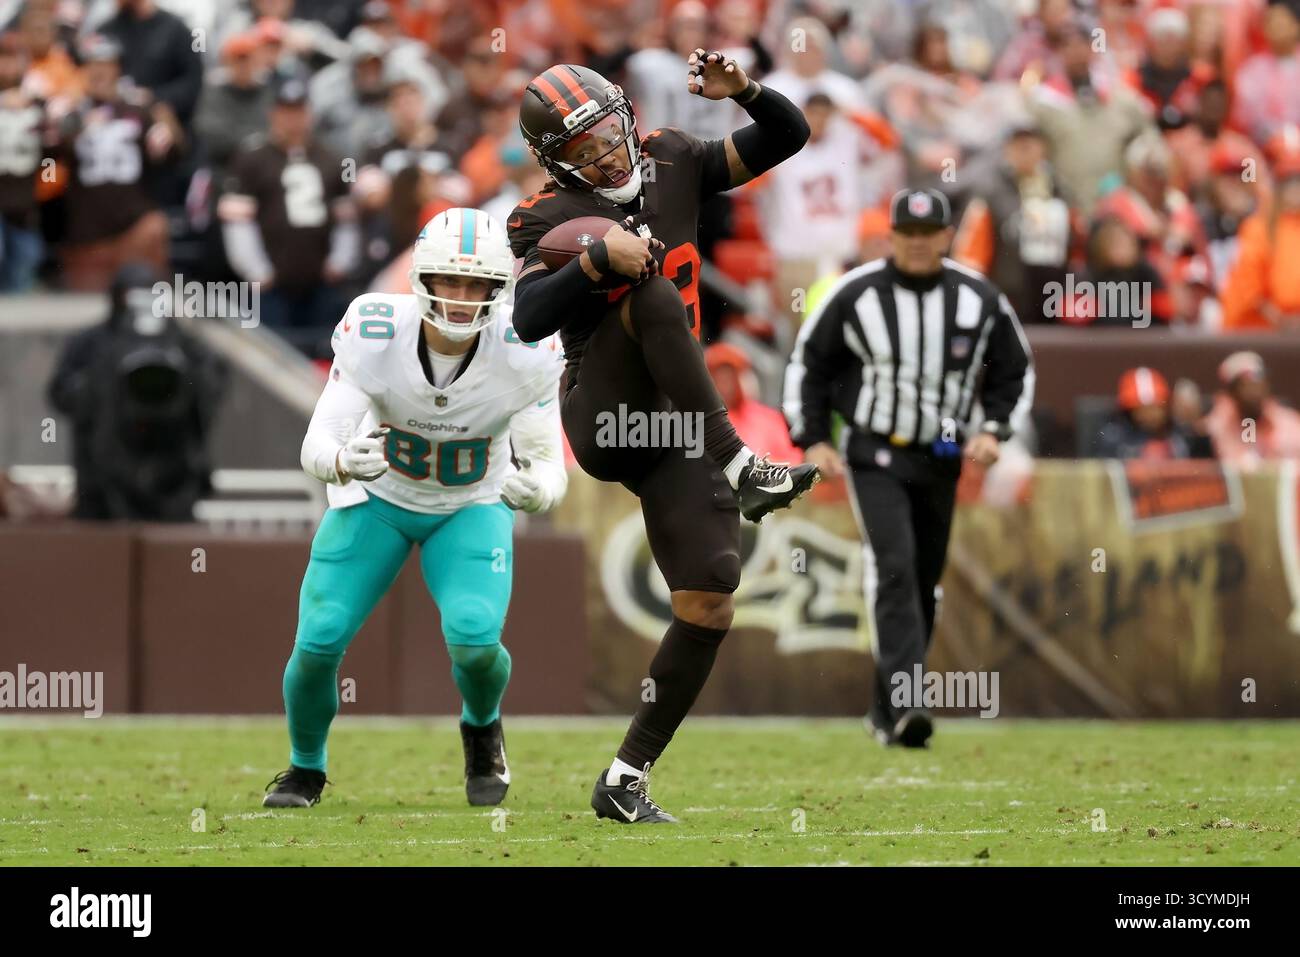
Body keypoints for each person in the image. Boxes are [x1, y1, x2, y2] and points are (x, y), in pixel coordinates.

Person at [507, 52, 817, 823]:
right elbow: (525, 317)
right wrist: (589, 261)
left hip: (680, 419)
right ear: (556, 163)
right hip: (607, 412)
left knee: (710, 595)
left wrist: (744, 90)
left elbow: (789, 134)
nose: (607, 155)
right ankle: (744, 461)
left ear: (626, 116)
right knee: (642, 281)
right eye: (583, 152)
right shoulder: (543, 213)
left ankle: (625, 777)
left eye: (609, 134)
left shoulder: (674, 159)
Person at [263, 208, 567, 810]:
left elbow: (548, 468)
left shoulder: (524, 347)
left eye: (476, 284)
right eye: (450, 282)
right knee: (319, 638)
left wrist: (538, 490)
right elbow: (315, 446)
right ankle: (305, 769)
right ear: (421, 280)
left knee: (476, 640)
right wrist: (345, 460)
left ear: (498, 288)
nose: (461, 298)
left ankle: (482, 728)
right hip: (377, 499)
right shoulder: (374, 331)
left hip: (471, 503)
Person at [783, 187, 1033, 749]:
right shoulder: (856, 293)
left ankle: (883, 707)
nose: (919, 245)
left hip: (942, 453)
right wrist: (814, 438)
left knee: (922, 581)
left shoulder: (978, 297)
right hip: (875, 450)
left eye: (930, 234)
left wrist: (994, 429)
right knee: (894, 565)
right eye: (908, 234)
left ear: (947, 237)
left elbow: (1015, 371)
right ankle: (908, 704)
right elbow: (809, 364)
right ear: (891, 236)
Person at [46, 262, 226, 521]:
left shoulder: (183, 343)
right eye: (132, 297)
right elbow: (60, 394)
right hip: (101, 486)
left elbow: (212, 386)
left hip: (172, 482)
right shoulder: (90, 343)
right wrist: (102, 384)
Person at [1202, 351, 1300, 467]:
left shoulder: (1288, 422)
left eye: (1257, 382)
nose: (1253, 391)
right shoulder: (1221, 423)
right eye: (1244, 384)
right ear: (1231, 393)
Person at [1093, 367, 1213, 460]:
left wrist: (1194, 426)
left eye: (1156, 407)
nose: (1151, 414)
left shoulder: (1180, 434)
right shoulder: (1114, 438)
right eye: (1143, 409)